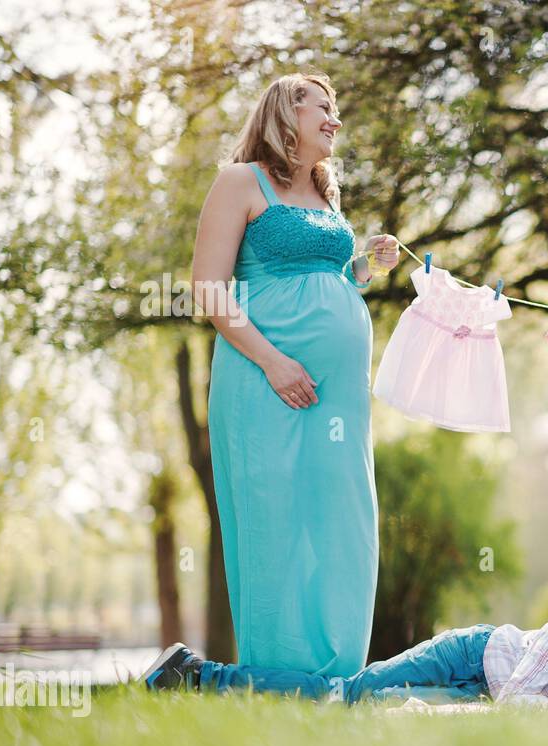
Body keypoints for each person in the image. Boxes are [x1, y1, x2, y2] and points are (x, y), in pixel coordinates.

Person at [191, 72, 399, 678]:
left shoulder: (325, 195)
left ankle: (334, 672)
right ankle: (276, 674)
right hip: (263, 378)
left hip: (338, 396)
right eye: (323, 108)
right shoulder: (240, 181)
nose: (335, 120)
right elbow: (209, 287)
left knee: (341, 515)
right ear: (286, 114)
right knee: (272, 515)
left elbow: (325, 281)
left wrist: (364, 266)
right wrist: (273, 361)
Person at [140, 546, 548, 707]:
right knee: (347, 697)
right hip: (468, 658)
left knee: (380, 716)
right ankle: (197, 674)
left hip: (481, 692)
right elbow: (519, 697)